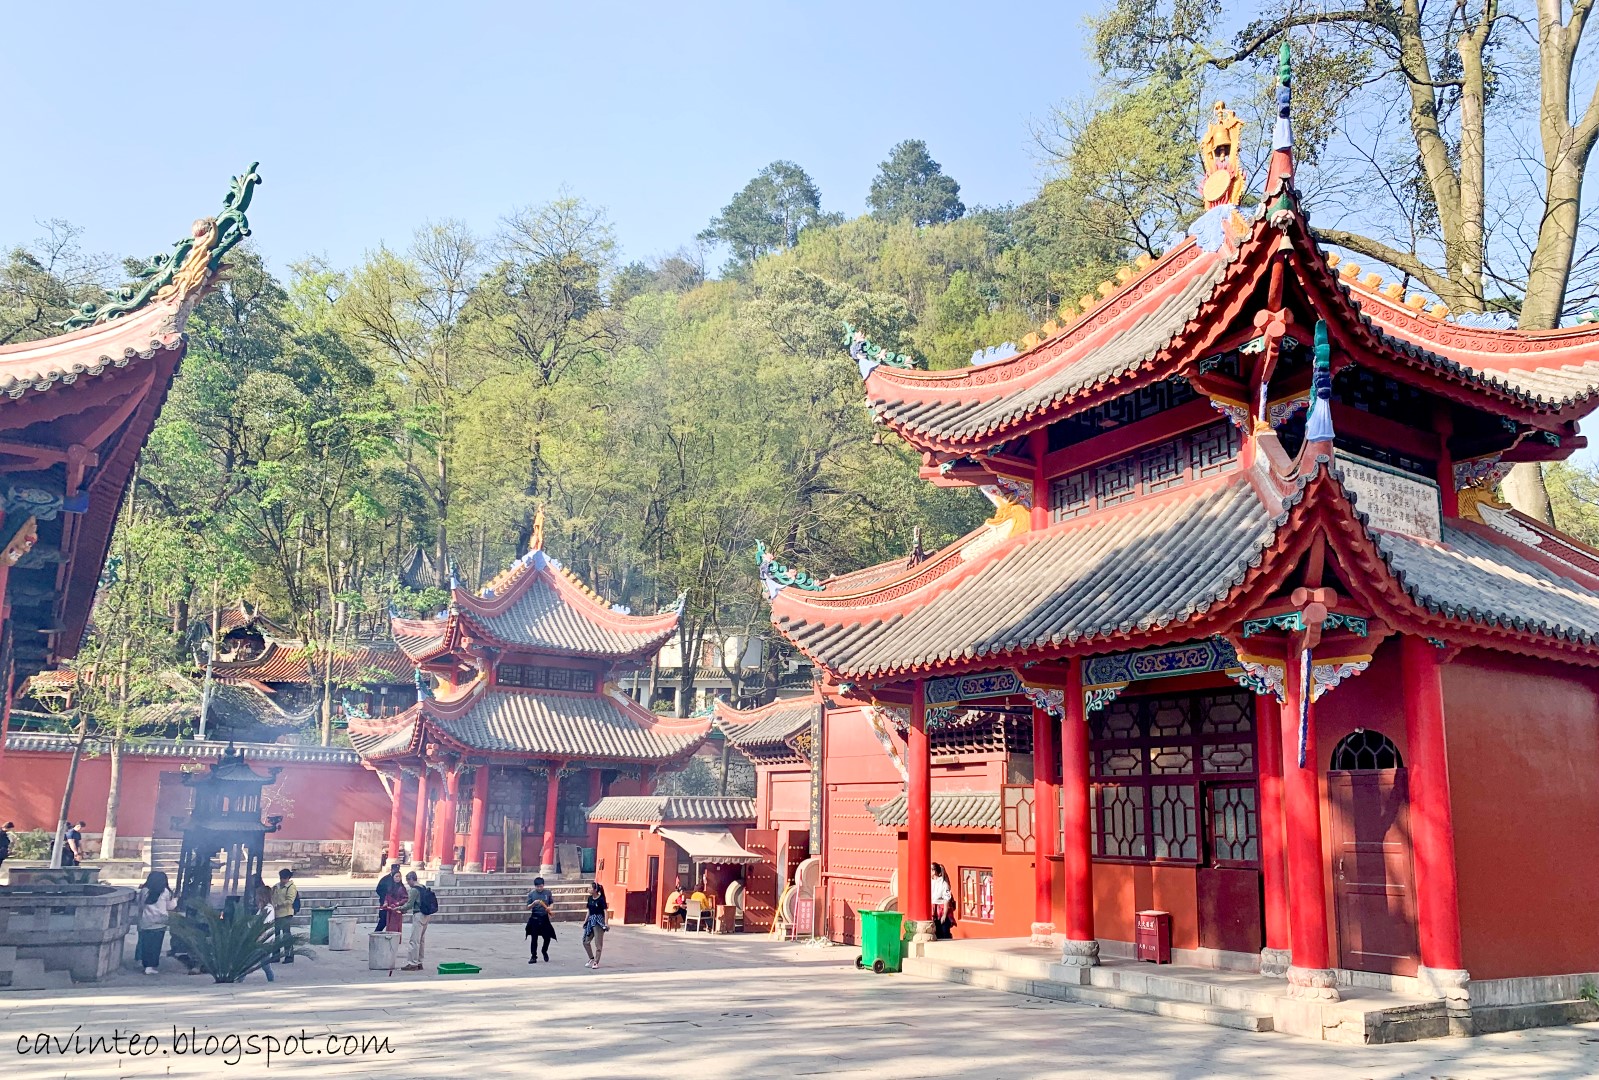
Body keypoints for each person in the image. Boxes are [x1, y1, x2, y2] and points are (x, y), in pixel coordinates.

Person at [135, 871, 176, 975]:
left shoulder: (144, 891)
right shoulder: (165, 892)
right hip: (160, 922)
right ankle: (151, 966)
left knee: (146, 944)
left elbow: (140, 905)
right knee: (155, 946)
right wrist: (175, 900)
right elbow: (170, 906)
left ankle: (145, 964)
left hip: (146, 921)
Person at [400, 871, 436, 972]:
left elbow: (409, 904)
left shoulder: (414, 890)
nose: (408, 883)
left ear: (411, 879)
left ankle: (412, 963)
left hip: (418, 914)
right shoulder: (423, 887)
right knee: (421, 940)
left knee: (414, 940)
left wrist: (400, 908)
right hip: (426, 914)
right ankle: (420, 962)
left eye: (408, 881)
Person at [524, 876, 556, 963]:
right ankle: (533, 956)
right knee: (534, 939)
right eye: (538, 886)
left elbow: (551, 902)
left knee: (547, 937)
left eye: (541, 886)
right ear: (535, 886)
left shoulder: (548, 893)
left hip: (544, 918)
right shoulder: (531, 894)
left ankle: (544, 950)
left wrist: (550, 908)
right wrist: (533, 903)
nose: (539, 888)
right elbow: (527, 907)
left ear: (543, 885)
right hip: (535, 918)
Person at [270, 869, 299, 962]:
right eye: (281, 878)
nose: (282, 880)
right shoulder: (276, 886)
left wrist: (279, 904)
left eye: (284, 878)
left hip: (286, 913)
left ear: (288, 878)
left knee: (286, 935)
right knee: (276, 935)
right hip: (277, 914)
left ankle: (289, 955)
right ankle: (276, 955)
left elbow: (290, 900)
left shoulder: (291, 887)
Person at [253, 885, 277, 983]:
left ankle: (271, 980)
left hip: (265, 940)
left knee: (263, 963)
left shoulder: (269, 909)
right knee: (264, 964)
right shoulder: (261, 909)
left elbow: (266, 925)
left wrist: (259, 936)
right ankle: (271, 979)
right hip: (260, 939)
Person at [582, 882, 608, 969]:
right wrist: (585, 921)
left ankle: (596, 962)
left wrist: (606, 923)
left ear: (595, 890)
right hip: (591, 921)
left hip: (598, 922)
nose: (588, 889)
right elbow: (589, 910)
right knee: (585, 941)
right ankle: (591, 958)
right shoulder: (589, 898)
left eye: (590, 888)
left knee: (598, 943)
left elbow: (605, 911)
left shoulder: (601, 899)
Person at [379, 867, 408, 934]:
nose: (398, 878)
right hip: (390, 911)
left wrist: (398, 903)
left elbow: (405, 898)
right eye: (396, 876)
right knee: (389, 926)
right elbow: (387, 896)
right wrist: (386, 903)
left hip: (397, 910)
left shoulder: (402, 888)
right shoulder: (390, 887)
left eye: (399, 876)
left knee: (395, 927)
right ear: (393, 877)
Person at [374, 864, 402, 932]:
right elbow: (378, 890)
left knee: (393, 922)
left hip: (394, 904)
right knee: (383, 920)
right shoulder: (385, 879)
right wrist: (385, 898)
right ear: (391, 870)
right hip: (385, 903)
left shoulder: (398, 879)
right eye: (395, 870)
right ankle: (376, 933)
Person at [931, 863, 955, 940]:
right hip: (933, 909)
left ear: (934, 871)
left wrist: (944, 914)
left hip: (941, 909)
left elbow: (946, 899)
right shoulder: (930, 881)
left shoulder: (943, 883)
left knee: (944, 931)